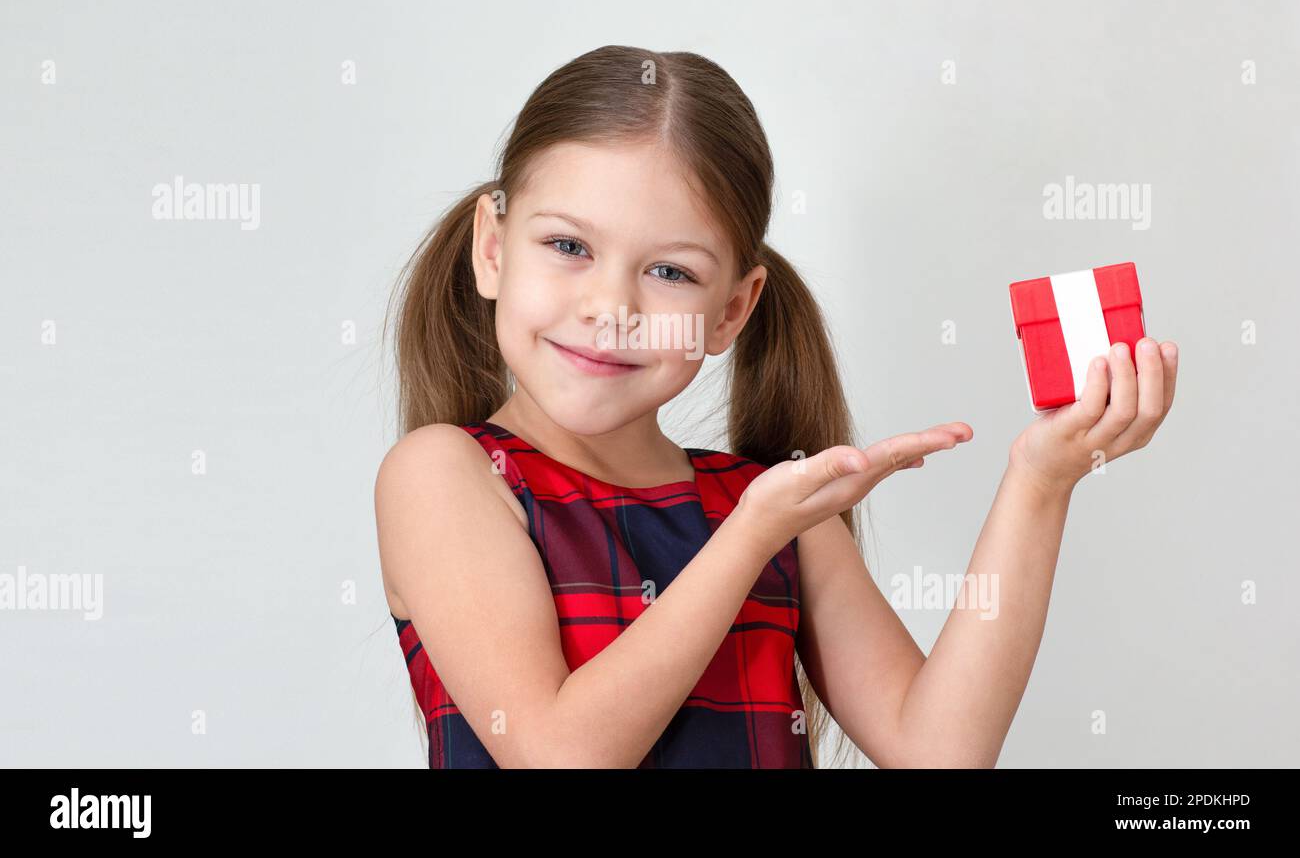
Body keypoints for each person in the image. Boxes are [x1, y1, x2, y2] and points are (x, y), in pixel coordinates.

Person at [374, 45, 1179, 768]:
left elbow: (943, 751)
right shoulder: (448, 475)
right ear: (492, 246)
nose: (610, 306)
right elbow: (560, 756)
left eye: (671, 273)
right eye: (569, 247)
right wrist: (751, 534)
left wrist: (1040, 483)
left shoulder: (775, 508)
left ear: (732, 309)